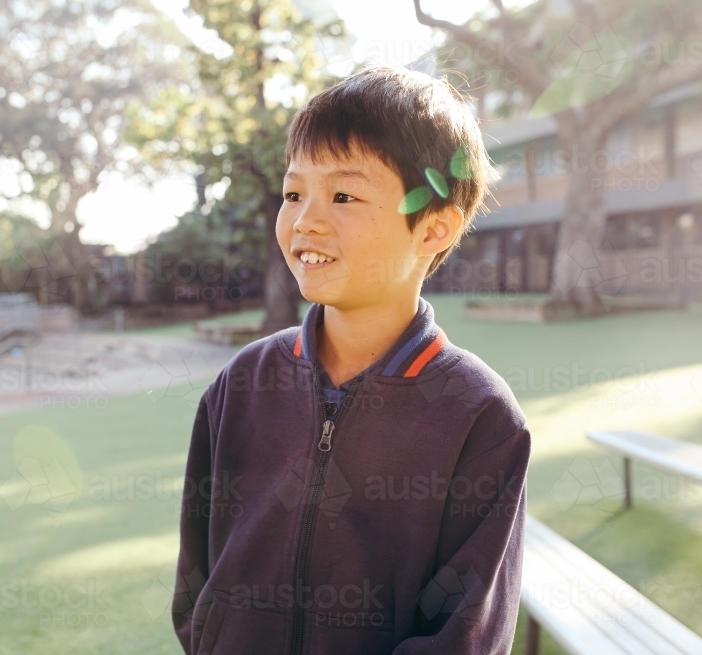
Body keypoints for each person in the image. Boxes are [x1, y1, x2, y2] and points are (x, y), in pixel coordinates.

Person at [172, 65, 531, 655]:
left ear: (434, 228)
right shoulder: (242, 385)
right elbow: (198, 578)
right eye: (294, 193)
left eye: (344, 195)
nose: (305, 220)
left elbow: (465, 633)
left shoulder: (479, 416)